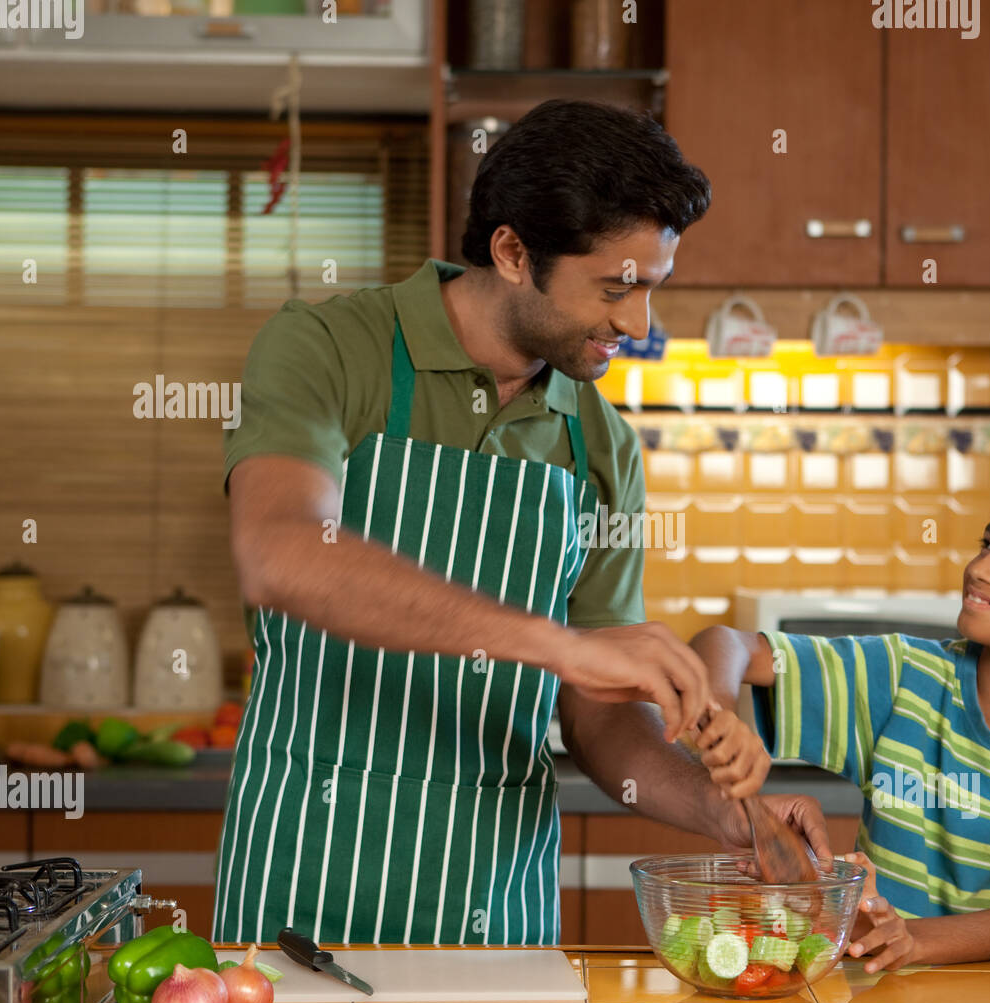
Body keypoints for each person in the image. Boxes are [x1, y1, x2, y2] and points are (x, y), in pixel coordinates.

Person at [212, 99, 828, 947]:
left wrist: (712, 806)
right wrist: (562, 644)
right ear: (511, 251)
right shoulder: (329, 349)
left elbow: (600, 716)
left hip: (493, 911)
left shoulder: (600, 445)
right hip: (300, 895)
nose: (637, 325)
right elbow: (280, 553)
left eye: (652, 289)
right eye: (616, 287)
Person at [691, 460, 990, 997]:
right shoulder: (902, 678)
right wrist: (719, 714)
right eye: (987, 542)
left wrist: (912, 940)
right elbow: (724, 643)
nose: (982, 568)